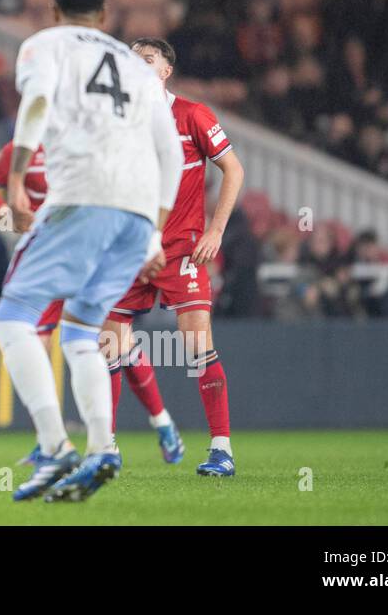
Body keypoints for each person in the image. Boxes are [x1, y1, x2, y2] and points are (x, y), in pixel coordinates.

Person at [0, 0, 182, 503]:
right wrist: (155, 235)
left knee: (11, 319)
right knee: (81, 332)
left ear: (54, 11)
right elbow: (172, 155)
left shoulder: (43, 45)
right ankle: (102, 448)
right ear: (104, 16)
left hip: (81, 197)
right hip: (138, 214)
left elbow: (36, 104)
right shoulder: (137, 68)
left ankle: (53, 447)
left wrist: (15, 175)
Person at [0, 140, 184, 465]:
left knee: (115, 341)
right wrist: (6, 215)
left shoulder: (89, 139)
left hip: (93, 250)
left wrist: (145, 240)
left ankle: (162, 422)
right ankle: (54, 439)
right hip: (47, 259)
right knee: (33, 345)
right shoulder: (24, 146)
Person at [103, 39, 245, 478]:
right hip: (132, 248)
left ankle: (221, 448)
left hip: (181, 246)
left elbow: (234, 169)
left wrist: (216, 229)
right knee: (109, 344)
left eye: (146, 59)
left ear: (165, 70)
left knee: (196, 345)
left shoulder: (192, 115)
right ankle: (104, 448)